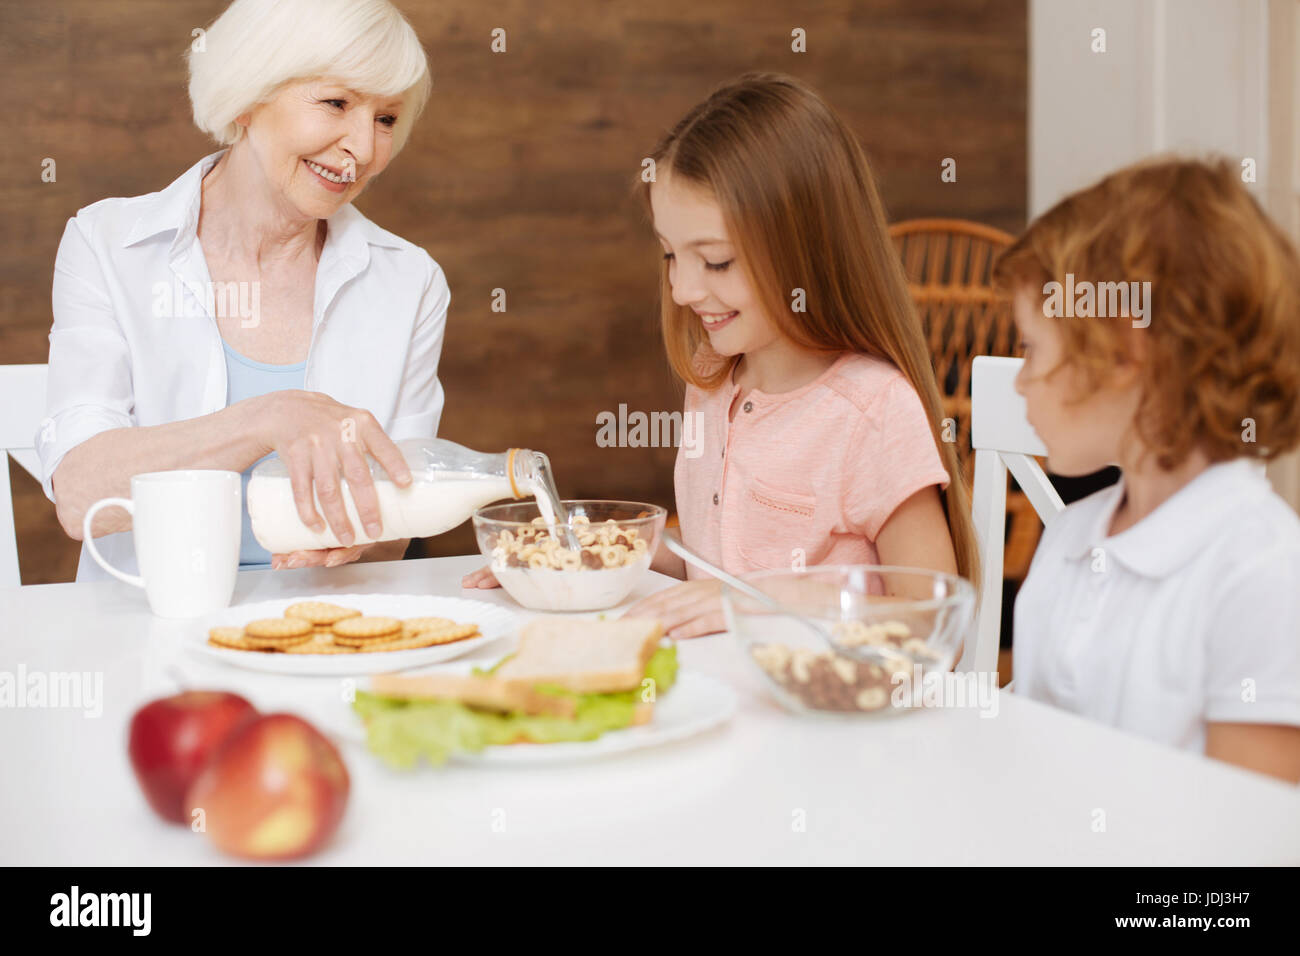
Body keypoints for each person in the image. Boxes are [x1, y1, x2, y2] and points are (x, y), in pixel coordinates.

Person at [466, 73, 978, 640]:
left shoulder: (872, 412)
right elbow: (722, 571)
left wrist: (770, 601)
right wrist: (599, 553)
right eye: (668, 255)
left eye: (715, 262)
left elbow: (936, 626)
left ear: (806, 250)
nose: (683, 289)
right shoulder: (713, 380)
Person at [40, 0, 446, 581]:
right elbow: (81, 494)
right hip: (147, 630)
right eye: (336, 103)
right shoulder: (109, 246)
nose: (363, 147)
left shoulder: (410, 279)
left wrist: (359, 541)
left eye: (386, 119)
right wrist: (267, 419)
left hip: (328, 624)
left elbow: (399, 516)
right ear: (251, 93)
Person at [994, 157, 1300, 783]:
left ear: (1125, 352)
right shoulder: (1072, 537)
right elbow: (1031, 761)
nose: (1019, 382)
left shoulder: (1261, 572)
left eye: (1030, 348)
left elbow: (1249, 844)